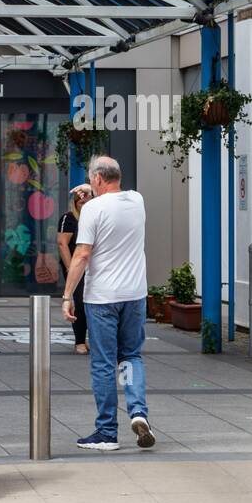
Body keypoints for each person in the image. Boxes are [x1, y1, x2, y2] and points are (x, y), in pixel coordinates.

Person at [62, 156, 155, 451]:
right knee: (131, 356)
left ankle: (106, 432)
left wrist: (67, 295)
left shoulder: (91, 209)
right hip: (135, 295)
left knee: (103, 363)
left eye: (91, 179)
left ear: (98, 179)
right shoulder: (137, 200)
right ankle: (138, 412)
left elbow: (82, 256)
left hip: (102, 298)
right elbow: (112, 205)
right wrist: (91, 195)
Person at [57, 183, 93, 355]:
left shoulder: (95, 217)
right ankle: (79, 341)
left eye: (87, 202)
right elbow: (62, 244)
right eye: (80, 203)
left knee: (92, 304)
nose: (84, 205)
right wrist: (71, 268)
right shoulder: (69, 218)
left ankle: (92, 339)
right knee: (79, 303)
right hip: (76, 265)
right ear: (75, 203)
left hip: (94, 268)